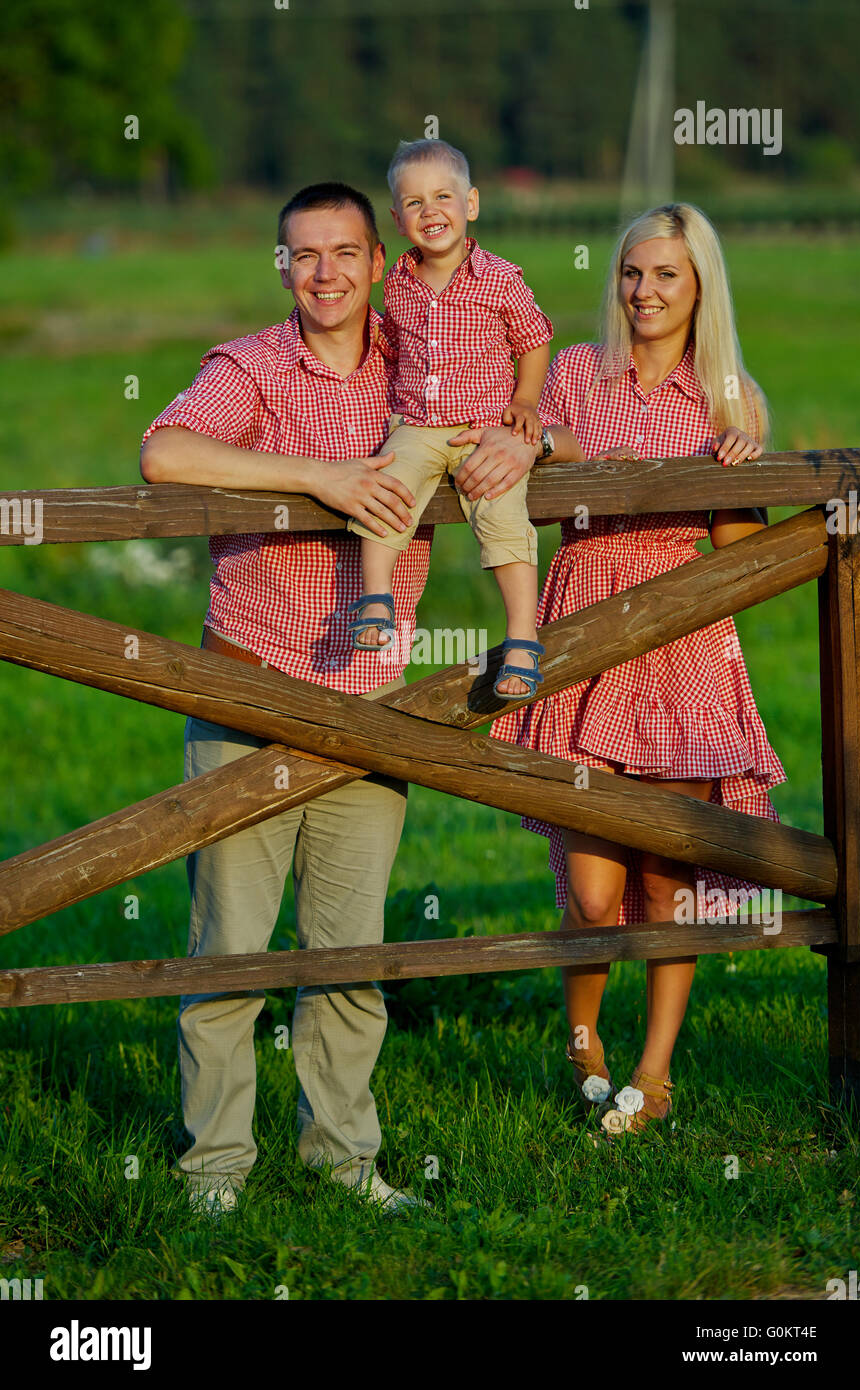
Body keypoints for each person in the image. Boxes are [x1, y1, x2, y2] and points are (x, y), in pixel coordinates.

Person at [139, 182, 539, 1214]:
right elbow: (164, 451)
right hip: (250, 688)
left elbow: (536, 395)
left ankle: (344, 1160)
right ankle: (213, 1171)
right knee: (229, 950)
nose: (324, 273)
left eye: (344, 253)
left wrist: (525, 435)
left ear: (378, 264)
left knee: (349, 957)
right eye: (303, 254)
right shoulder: (252, 366)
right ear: (282, 266)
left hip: (372, 703)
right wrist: (319, 475)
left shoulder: (421, 364)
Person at [491, 202, 785, 1134]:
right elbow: (534, 500)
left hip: (685, 645)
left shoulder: (728, 395)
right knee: (591, 889)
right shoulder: (574, 373)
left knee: (669, 879)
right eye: (631, 273)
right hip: (583, 633)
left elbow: (741, 557)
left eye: (664, 274)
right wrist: (553, 445)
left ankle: (654, 1075)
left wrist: (738, 474)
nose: (644, 291)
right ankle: (581, 1039)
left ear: (700, 285)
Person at [346, 139, 554, 700]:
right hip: (414, 425)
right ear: (396, 218)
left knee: (503, 512)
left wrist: (527, 403)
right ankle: (376, 600)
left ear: (472, 203)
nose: (429, 211)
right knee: (385, 488)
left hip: (482, 427)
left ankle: (521, 639)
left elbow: (534, 342)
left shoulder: (501, 278)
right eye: (413, 203)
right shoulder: (396, 282)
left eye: (443, 196)